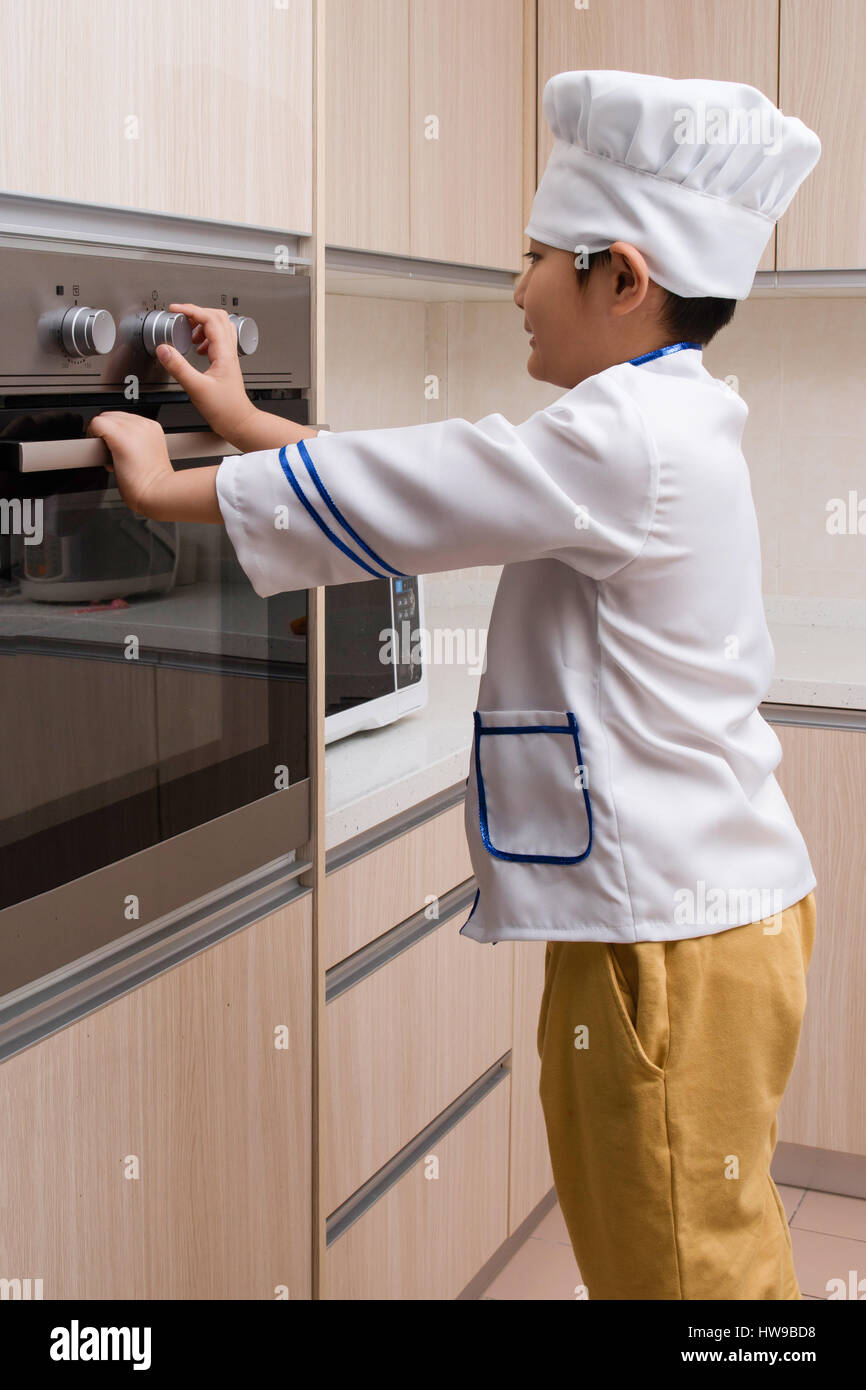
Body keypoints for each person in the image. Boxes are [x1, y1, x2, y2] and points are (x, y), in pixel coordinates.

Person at [88, 69, 822, 1300]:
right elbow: (434, 479)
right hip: (697, 924)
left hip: (668, 941)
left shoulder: (621, 437)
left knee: (688, 1280)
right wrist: (246, 421)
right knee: (700, 1253)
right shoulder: (655, 421)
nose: (517, 286)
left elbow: (427, 484)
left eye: (538, 256)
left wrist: (171, 487)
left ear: (621, 278)